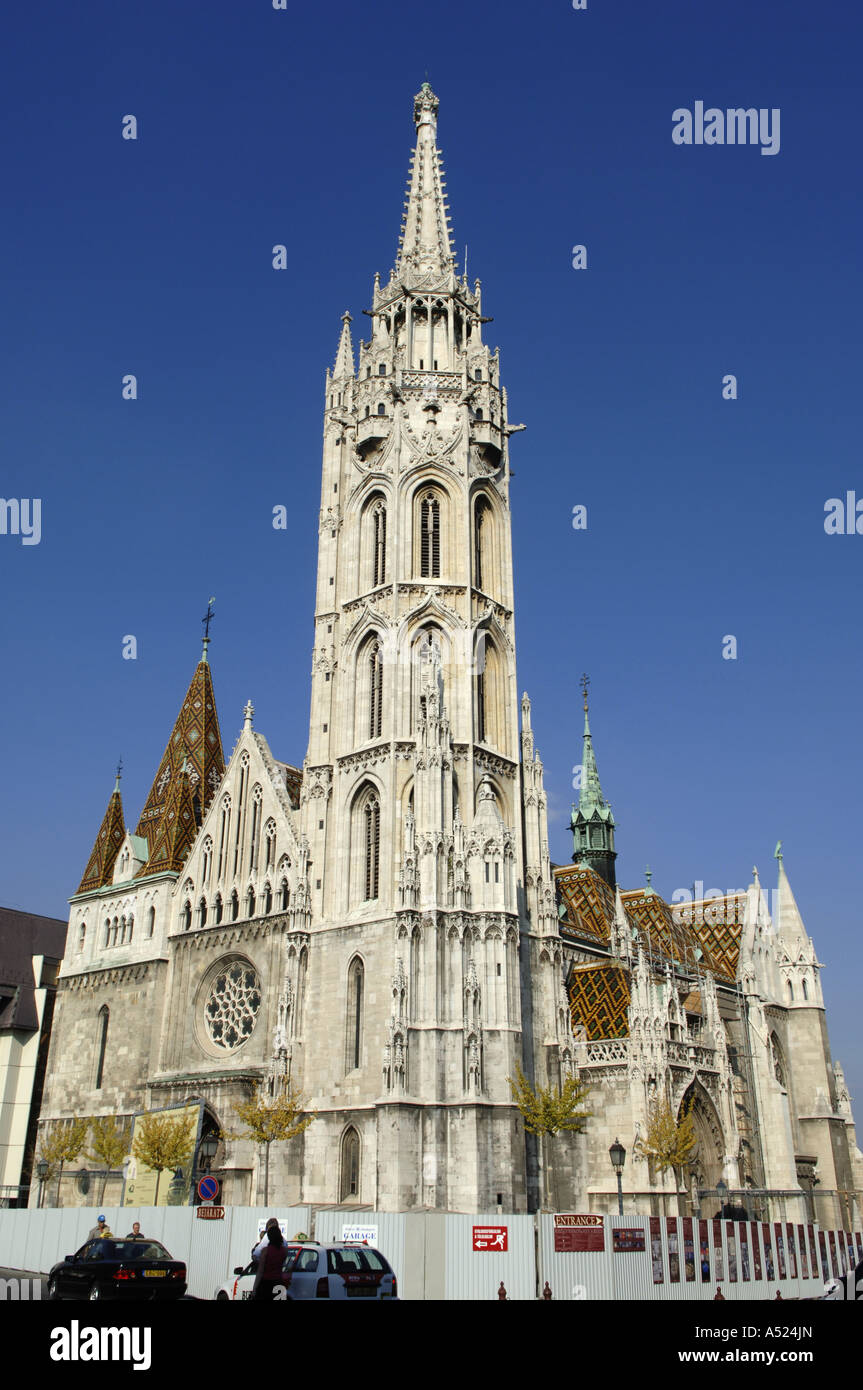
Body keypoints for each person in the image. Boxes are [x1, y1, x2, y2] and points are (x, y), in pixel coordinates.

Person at [253, 1225, 288, 1300]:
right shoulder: (284, 1251)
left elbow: (260, 1271)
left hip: (266, 1284)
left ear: (269, 1237)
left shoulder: (265, 1251)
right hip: (279, 1283)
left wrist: (255, 1288)